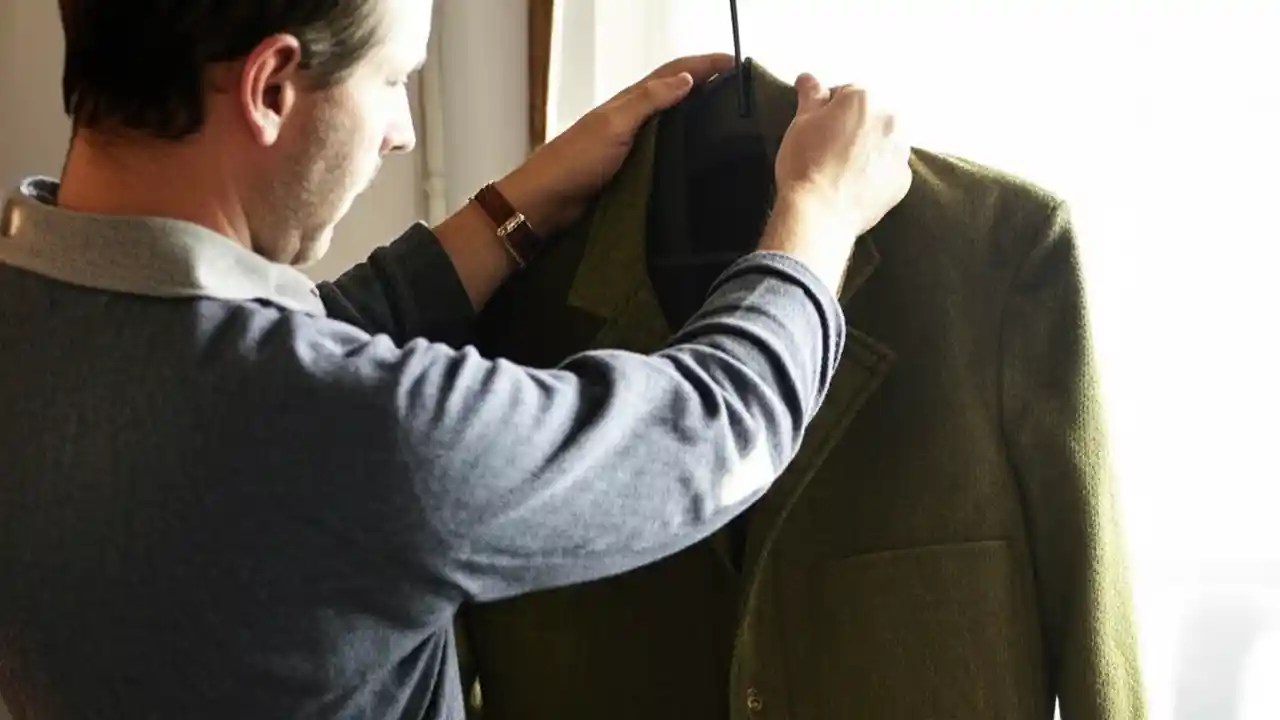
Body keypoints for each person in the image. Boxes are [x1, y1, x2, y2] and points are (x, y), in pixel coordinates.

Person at [0, 0, 909, 718]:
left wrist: (514, 211)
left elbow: (295, 339)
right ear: (271, 84)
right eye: (392, 78)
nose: (399, 129)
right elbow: (706, 435)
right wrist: (819, 207)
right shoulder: (346, 432)